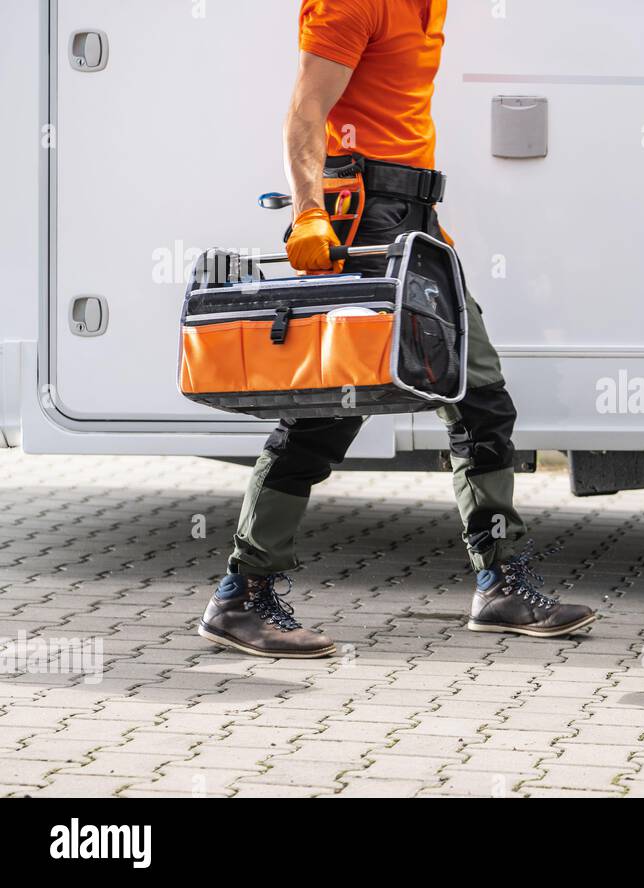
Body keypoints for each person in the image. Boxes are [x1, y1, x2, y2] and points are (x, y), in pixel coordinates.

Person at [198, 0, 597, 658]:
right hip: (362, 226)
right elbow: (305, 113)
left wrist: (428, 227)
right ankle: (242, 593)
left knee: (481, 400)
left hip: (414, 226)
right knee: (327, 412)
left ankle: (500, 582)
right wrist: (307, 213)